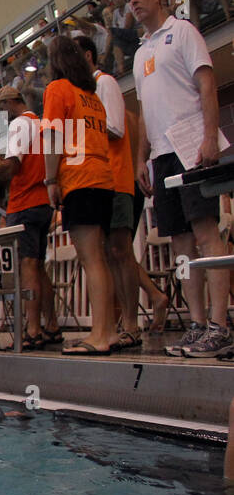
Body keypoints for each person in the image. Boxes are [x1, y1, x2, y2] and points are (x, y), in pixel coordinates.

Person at [129, 0, 231, 357]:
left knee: (206, 234)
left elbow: (207, 84)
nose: (133, 1)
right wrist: (142, 159)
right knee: (182, 246)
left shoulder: (184, 32)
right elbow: (145, 109)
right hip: (161, 155)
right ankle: (198, 323)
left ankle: (220, 325)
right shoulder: (140, 54)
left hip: (190, 147)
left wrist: (209, 136)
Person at [76, 35, 170, 349]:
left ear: (88, 56)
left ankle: (131, 323)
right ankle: (149, 301)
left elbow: (114, 126)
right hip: (102, 181)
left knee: (119, 252)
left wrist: (78, 129)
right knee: (111, 253)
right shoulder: (88, 92)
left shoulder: (104, 84)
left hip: (117, 180)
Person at [39, 35, 116, 355]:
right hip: (103, 179)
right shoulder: (91, 96)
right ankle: (107, 330)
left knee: (92, 259)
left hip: (80, 179)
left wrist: (51, 179)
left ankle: (102, 334)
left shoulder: (58, 90)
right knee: (101, 258)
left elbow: (53, 138)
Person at [0, 86, 58, 348]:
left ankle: (32, 330)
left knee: (28, 266)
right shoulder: (39, 123)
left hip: (25, 203)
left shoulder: (19, 124)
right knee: (39, 266)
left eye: (0, 110)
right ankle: (51, 326)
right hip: (43, 203)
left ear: (8, 103)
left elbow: (11, 167)